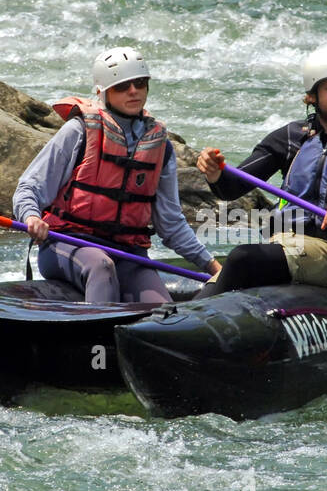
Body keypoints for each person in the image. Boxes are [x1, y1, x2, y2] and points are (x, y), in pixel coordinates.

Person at [193, 44, 327, 298]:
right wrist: (214, 174)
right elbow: (232, 188)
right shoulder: (292, 138)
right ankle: (180, 320)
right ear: (312, 96)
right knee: (217, 283)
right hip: (283, 246)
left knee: (243, 257)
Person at [13, 47, 220, 303]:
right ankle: (94, 340)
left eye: (140, 83)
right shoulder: (78, 132)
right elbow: (29, 188)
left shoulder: (160, 147)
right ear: (104, 92)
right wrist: (31, 217)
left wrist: (212, 267)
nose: (134, 91)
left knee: (162, 309)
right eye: (122, 86)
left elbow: (171, 224)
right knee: (100, 266)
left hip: (127, 252)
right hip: (66, 243)